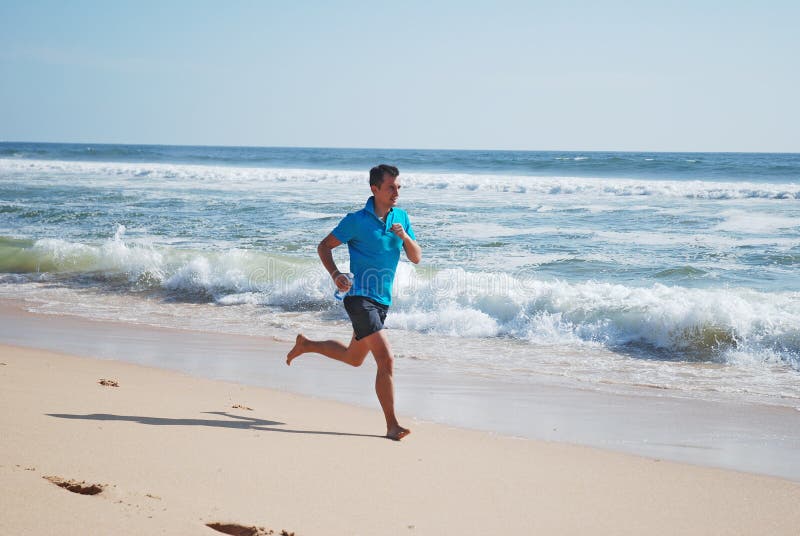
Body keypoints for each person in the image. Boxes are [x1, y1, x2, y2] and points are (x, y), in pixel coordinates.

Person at [286, 164, 422, 441]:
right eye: (390, 187)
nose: (396, 192)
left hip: (382, 301)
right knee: (386, 359)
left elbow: (416, 257)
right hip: (359, 298)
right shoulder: (356, 221)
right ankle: (392, 425)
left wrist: (404, 236)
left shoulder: (402, 218)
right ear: (375, 189)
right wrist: (335, 274)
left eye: (398, 187)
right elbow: (324, 246)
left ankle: (306, 345)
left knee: (353, 358)